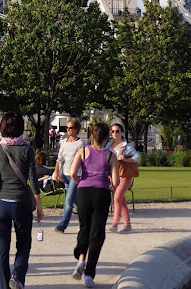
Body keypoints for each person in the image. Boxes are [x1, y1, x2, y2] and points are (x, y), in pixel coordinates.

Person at [0, 111, 43, 289]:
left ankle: (2, 286)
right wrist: (39, 206)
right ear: (21, 128)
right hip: (21, 203)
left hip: (1, 204)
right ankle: (17, 276)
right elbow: (32, 179)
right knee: (23, 245)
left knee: (2, 251)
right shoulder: (27, 150)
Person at [69, 122, 119, 287]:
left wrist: (81, 181)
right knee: (97, 234)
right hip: (101, 193)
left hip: (83, 192)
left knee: (84, 227)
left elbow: (72, 173)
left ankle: (81, 260)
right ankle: (89, 274)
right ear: (106, 138)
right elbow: (116, 181)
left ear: (91, 136)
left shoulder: (83, 151)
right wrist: (110, 185)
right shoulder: (110, 156)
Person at [53, 118, 84, 233]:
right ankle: (85, 222)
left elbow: (83, 159)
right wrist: (56, 171)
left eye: (70, 128)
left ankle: (62, 225)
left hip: (76, 175)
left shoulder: (81, 143)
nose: (68, 130)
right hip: (65, 174)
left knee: (69, 200)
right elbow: (60, 158)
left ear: (76, 129)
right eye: (67, 128)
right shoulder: (64, 142)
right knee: (75, 202)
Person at [107, 123, 138, 233]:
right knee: (121, 200)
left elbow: (137, 157)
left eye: (117, 131)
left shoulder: (127, 146)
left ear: (122, 132)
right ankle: (127, 225)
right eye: (113, 131)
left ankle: (115, 224)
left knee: (117, 198)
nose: (114, 133)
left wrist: (125, 159)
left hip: (124, 175)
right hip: (113, 176)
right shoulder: (109, 145)